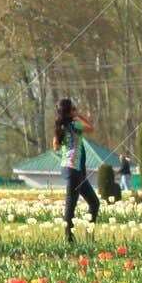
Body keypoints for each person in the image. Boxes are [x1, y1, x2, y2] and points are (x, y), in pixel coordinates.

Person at [53, 98, 98, 241]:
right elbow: (91, 127)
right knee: (71, 204)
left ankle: (88, 236)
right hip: (74, 168)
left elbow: (56, 146)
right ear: (69, 112)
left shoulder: (60, 127)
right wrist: (78, 115)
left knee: (94, 202)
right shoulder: (75, 124)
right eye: (74, 108)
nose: (76, 110)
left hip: (68, 167)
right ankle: (69, 239)